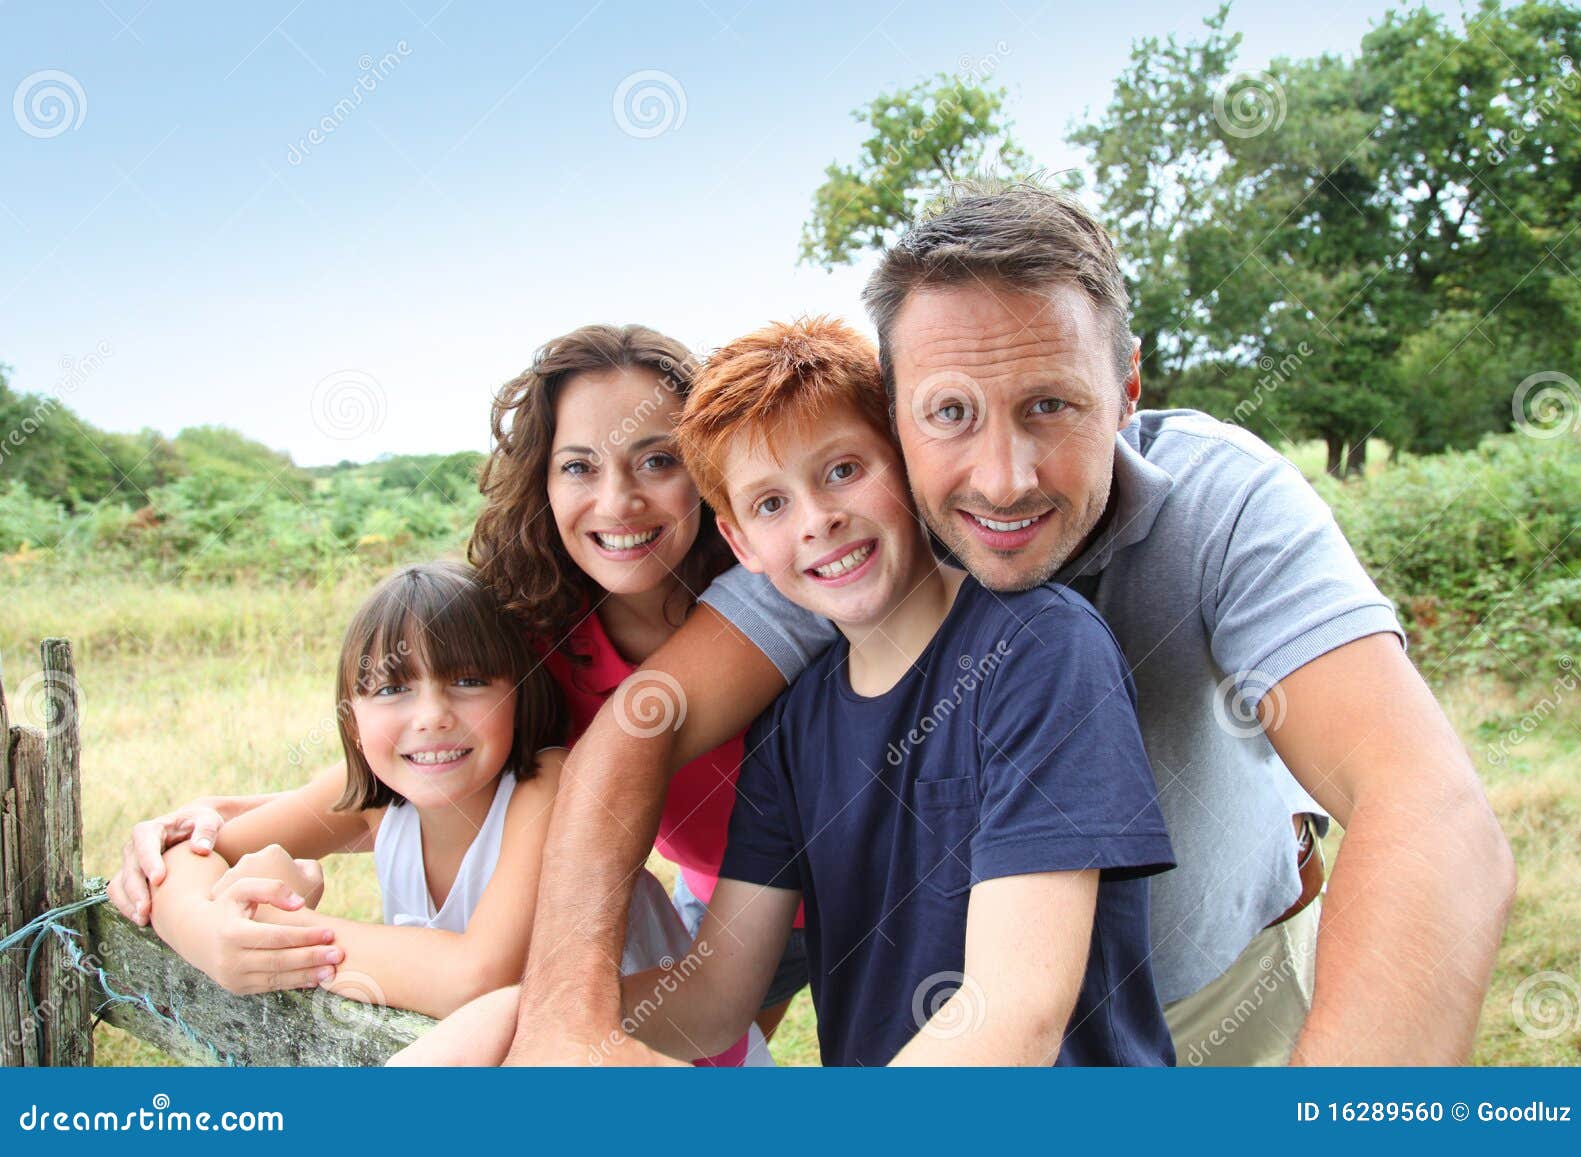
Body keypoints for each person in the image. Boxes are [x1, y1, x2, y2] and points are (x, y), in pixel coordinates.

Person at [490, 182, 1512, 1066]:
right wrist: (559, 1020)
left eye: (1051, 405)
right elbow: (643, 726)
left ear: (1125, 388)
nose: (1004, 477)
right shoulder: (835, 543)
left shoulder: (1219, 504)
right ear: (892, 416)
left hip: (1230, 981)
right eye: (948, 413)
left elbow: (1425, 808)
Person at [393, 316, 1174, 1066]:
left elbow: (1014, 1017)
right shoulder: (794, 725)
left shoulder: (1038, 648)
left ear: (905, 460)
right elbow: (715, 995)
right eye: (771, 503)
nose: (818, 520)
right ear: (738, 542)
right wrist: (520, 1015)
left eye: (843, 470)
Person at [110, 324, 806, 1041]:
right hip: (722, 898)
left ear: (705, 466)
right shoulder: (533, 637)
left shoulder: (768, 582)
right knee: (707, 1057)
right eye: (577, 466)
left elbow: (636, 733)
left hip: (855, 886)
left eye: (657, 459)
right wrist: (205, 905)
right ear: (541, 479)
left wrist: (285, 927)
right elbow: (381, 788)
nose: (617, 499)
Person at [141, 560, 770, 1065]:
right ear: (352, 720)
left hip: (673, 1060)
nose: (432, 715)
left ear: (519, 695)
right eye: (391, 689)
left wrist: (277, 934)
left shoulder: (547, 786)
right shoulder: (375, 799)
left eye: (468, 681)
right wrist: (208, 931)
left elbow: (475, 977)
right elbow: (194, 851)